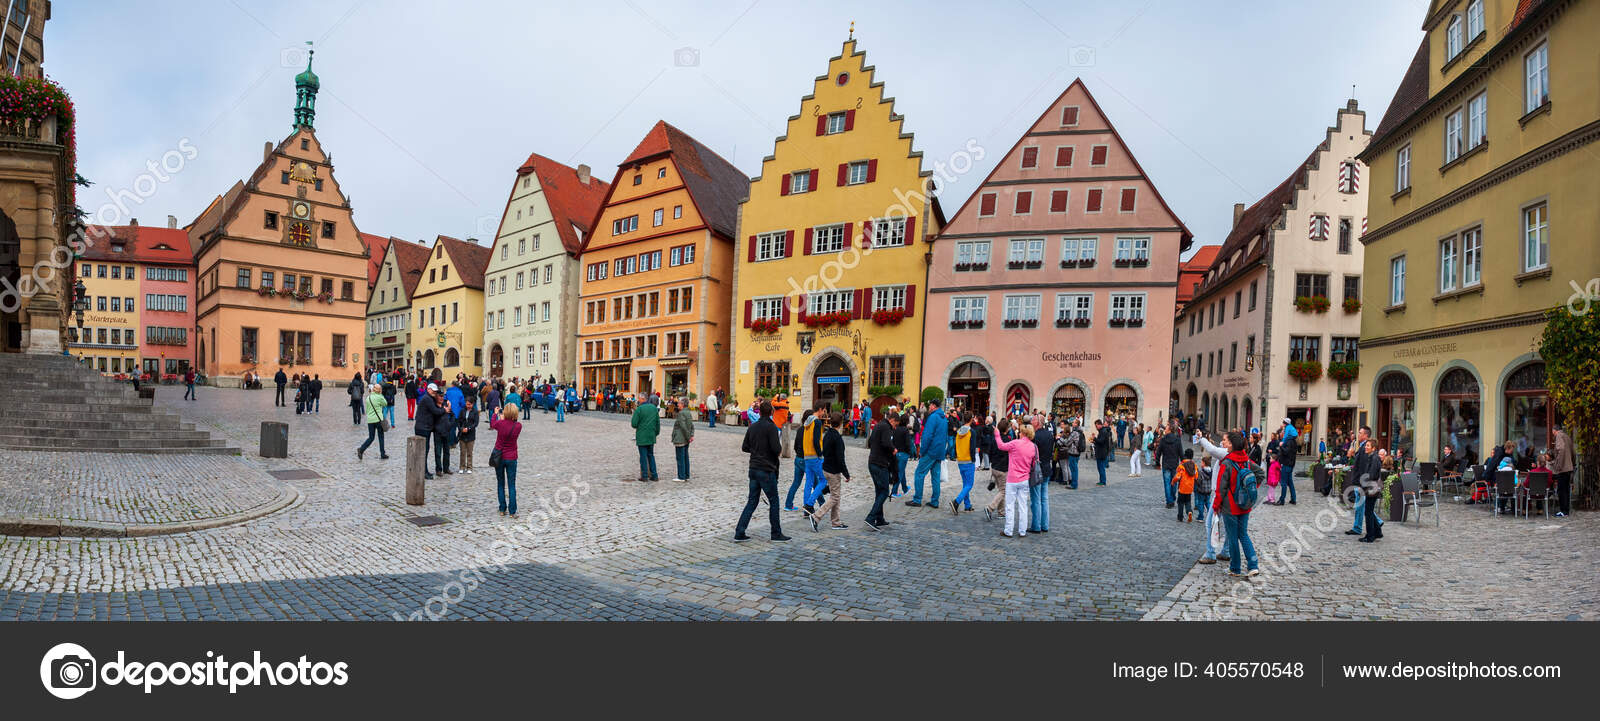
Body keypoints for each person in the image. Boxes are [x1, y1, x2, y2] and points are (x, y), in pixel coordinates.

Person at [733, 401, 790, 542]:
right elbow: (777, 449)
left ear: (760, 412)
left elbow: (745, 447)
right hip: (766, 469)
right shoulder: (771, 427)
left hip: (754, 468)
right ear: (771, 412)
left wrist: (756, 450)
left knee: (752, 501)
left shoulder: (753, 427)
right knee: (774, 501)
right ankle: (776, 533)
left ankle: (740, 531)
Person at [1214, 430, 1261, 576]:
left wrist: (1216, 505)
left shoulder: (1227, 463)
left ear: (1232, 445)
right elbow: (1260, 473)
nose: (1224, 444)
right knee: (1243, 535)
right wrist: (1251, 489)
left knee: (1233, 537)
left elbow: (1220, 488)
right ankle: (1253, 566)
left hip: (1230, 506)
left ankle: (1235, 568)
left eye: (1226, 442)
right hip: (1245, 505)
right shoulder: (1246, 461)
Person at [993, 419, 1037, 538]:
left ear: (1023, 433)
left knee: (1010, 506)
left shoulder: (1015, 443)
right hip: (1024, 479)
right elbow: (1033, 464)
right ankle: (1022, 531)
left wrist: (997, 434)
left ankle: (1008, 530)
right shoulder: (1033, 447)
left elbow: (1001, 446)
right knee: (1023, 506)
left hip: (1012, 479)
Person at [809, 411, 851, 531]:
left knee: (835, 495)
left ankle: (836, 522)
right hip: (833, 470)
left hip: (826, 468)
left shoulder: (827, 434)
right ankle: (816, 516)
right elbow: (840, 458)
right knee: (835, 497)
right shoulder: (837, 438)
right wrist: (846, 474)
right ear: (841, 424)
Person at [908, 399, 949, 508]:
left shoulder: (933, 417)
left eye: (930, 405)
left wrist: (922, 451)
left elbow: (927, 436)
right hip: (939, 451)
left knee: (919, 473)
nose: (929, 407)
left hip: (931, 451)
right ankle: (935, 501)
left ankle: (917, 499)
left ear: (933, 406)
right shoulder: (944, 418)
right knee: (935, 477)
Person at [865, 412, 897, 528]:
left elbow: (870, 442)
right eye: (895, 425)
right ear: (892, 420)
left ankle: (879, 518)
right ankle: (871, 517)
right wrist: (893, 449)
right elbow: (886, 443)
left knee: (879, 491)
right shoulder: (886, 427)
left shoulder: (878, 425)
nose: (895, 428)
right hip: (880, 464)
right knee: (884, 492)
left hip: (872, 462)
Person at [491, 403, 522, 516]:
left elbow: (493, 424)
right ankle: (512, 511)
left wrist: (495, 414)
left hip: (499, 457)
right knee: (511, 485)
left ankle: (502, 509)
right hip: (512, 457)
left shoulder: (500, 423)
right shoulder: (518, 426)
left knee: (500, 483)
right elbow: (510, 424)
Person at [414, 383, 450, 479]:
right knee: (424, 451)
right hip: (423, 428)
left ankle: (424, 471)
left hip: (425, 427)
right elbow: (435, 411)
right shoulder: (427, 399)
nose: (435, 392)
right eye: (433, 391)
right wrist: (445, 410)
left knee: (425, 450)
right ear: (428, 389)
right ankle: (423, 472)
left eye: (435, 391)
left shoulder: (429, 398)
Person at [784, 409, 815, 511]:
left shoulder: (800, 429)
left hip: (798, 459)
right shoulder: (810, 430)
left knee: (796, 483)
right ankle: (821, 504)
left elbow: (796, 445)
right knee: (815, 482)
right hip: (807, 459)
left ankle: (788, 505)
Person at [799, 407, 828, 514]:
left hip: (807, 456)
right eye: (824, 411)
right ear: (820, 409)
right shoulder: (816, 422)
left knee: (809, 483)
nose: (824, 413)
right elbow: (816, 440)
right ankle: (809, 504)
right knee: (823, 480)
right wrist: (820, 454)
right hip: (815, 456)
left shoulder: (807, 423)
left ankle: (806, 510)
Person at [1358, 439, 1386, 543]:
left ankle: (1370, 536)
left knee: (1368, 512)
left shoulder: (1374, 458)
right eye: (1366, 445)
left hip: (1372, 488)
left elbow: (1372, 475)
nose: (1366, 447)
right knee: (1369, 511)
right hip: (1370, 487)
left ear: (1373, 448)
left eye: (1368, 446)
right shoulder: (1372, 457)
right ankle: (1378, 532)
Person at [951, 412, 977, 515]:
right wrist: (974, 459)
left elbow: (955, 445)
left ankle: (967, 505)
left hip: (961, 460)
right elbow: (972, 447)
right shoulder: (972, 432)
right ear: (971, 419)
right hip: (968, 460)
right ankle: (956, 502)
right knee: (969, 484)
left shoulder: (958, 431)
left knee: (965, 484)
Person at [630, 393, 660, 482]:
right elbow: (657, 423)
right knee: (651, 455)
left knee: (643, 456)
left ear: (642, 399)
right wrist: (656, 433)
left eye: (639, 399)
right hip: (651, 435)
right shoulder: (654, 409)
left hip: (642, 436)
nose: (638, 400)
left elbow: (634, 424)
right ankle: (654, 475)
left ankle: (645, 475)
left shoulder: (639, 409)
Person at [356, 383, 389, 460]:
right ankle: (382, 453)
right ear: (379, 390)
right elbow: (385, 404)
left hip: (370, 420)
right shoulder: (379, 397)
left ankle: (361, 449)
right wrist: (381, 395)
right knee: (381, 437)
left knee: (371, 437)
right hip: (378, 420)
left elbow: (367, 409)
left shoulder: (368, 398)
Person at [1551, 423, 1574, 517]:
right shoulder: (1567, 437)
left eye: (1552, 431)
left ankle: (1563, 510)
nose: (1553, 433)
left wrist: (1558, 465)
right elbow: (1573, 452)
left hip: (1563, 468)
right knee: (1566, 490)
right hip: (1569, 467)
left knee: (1561, 490)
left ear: (1554, 430)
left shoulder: (1559, 436)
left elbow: (1561, 450)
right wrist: (1573, 463)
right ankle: (1566, 511)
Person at [1157, 423, 1182, 508]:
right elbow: (1181, 453)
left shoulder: (1163, 440)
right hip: (1175, 464)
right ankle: (1172, 498)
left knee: (1167, 483)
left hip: (1166, 464)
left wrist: (1157, 462)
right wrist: (1183, 461)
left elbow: (1158, 452)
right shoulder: (1177, 440)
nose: (1165, 428)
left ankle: (1169, 501)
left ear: (1170, 429)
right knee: (1174, 482)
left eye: (1166, 427)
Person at [1275, 418, 1299, 505]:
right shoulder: (1292, 441)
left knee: (1284, 482)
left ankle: (1282, 500)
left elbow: (1286, 452)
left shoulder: (1289, 442)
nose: (1283, 433)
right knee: (1290, 482)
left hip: (1287, 464)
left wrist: (1281, 446)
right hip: (1290, 464)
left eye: (1283, 432)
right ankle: (1293, 499)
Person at [671, 399, 695, 482]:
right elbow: (692, 425)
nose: (678, 404)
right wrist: (691, 435)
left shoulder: (681, 413)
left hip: (680, 438)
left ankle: (681, 476)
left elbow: (683, 427)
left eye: (679, 403)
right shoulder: (688, 412)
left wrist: (689, 436)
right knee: (685, 457)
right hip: (686, 438)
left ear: (683, 404)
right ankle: (686, 475)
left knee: (680, 458)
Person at [892, 412, 913, 497]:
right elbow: (908, 443)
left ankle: (905, 488)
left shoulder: (896, 429)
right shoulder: (905, 430)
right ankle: (894, 491)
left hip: (896, 453)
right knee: (900, 473)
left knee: (901, 471)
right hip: (903, 453)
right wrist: (909, 452)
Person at [1173, 449, 1198, 522]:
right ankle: (1189, 511)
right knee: (1188, 502)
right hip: (1190, 488)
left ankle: (1180, 517)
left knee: (1180, 502)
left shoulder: (1181, 466)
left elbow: (1178, 476)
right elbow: (1196, 476)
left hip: (1182, 487)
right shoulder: (1194, 466)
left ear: (1185, 455)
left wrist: (1173, 481)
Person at [457, 395, 479, 475]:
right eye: (467, 404)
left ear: (472, 404)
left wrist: (468, 428)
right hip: (462, 434)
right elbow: (458, 421)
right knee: (462, 452)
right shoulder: (462, 411)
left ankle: (469, 467)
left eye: (469, 404)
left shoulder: (475, 412)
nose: (468, 406)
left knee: (469, 452)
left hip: (471, 434)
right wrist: (460, 428)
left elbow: (475, 423)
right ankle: (461, 467)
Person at [1061, 419, 1085, 488]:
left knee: (1073, 469)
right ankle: (1074, 483)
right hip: (1078, 452)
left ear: (1077, 424)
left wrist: (1061, 438)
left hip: (1073, 452)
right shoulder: (1081, 432)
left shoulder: (1075, 432)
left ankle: (1074, 484)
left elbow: (1067, 442)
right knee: (1075, 468)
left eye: (1074, 423)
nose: (1072, 423)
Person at [1093, 419, 1113, 486]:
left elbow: (1101, 441)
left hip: (1102, 452)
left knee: (1101, 467)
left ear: (1099, 424)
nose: (1096, 427)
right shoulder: (1102, 431)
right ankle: (1102, 480)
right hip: (1101, 451)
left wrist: (1094, 439)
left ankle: (1103, 481)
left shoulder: (1103, 432)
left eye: (1096, 426)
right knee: (1100, 467)